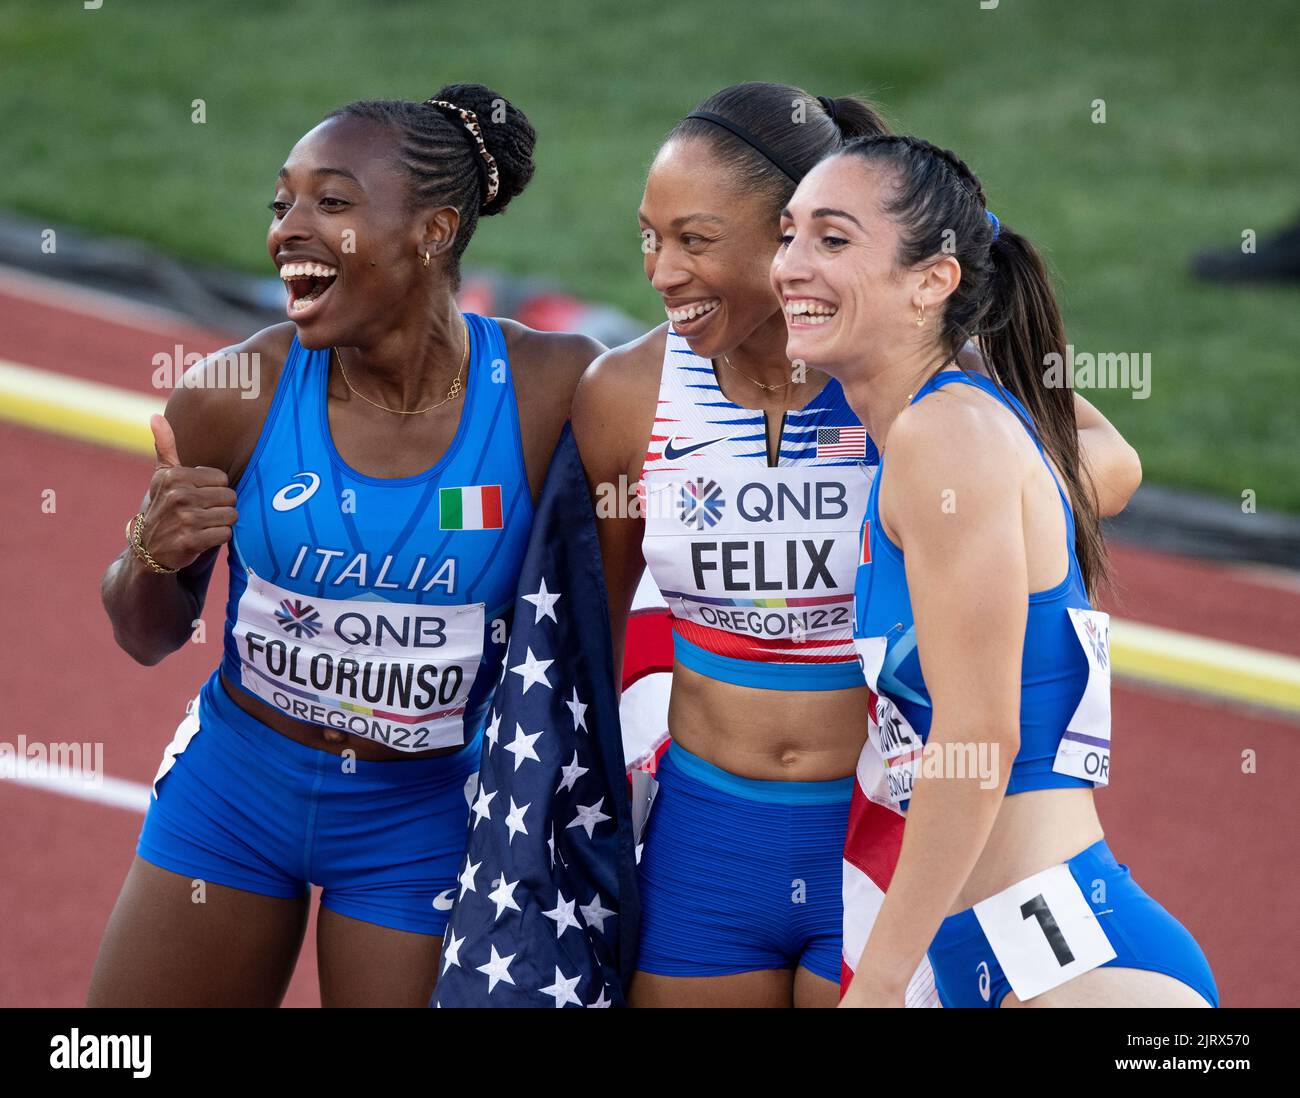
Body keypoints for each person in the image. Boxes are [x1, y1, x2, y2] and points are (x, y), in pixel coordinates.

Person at [572, 83, 1143, 1008]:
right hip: (706, 835)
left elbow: (1112, 462)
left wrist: (968, 515)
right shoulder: (628, 391)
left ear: (786, 237)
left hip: (877, 829)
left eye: (697, 241)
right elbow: (592, 625)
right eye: (652, 237)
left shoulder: (902, 381)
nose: (662, 271)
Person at [88, 84, 603, 1007]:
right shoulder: (233, 392)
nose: (289, 228)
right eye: (280, 202)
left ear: (435, 231)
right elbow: (146, 634)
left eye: (330, 202)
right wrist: (149, 557)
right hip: (234, 795)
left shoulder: (546, 392)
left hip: (422, 821)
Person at [772, 133, 1217, 1008]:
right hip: (995, 949)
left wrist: (879, 985)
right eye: (787, 235)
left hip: (1084, 971)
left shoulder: (949, 437)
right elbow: (1105, 464)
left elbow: (980, 742)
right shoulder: (938, 429)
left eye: (832, 240)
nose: (789, 264)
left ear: (932, 280)